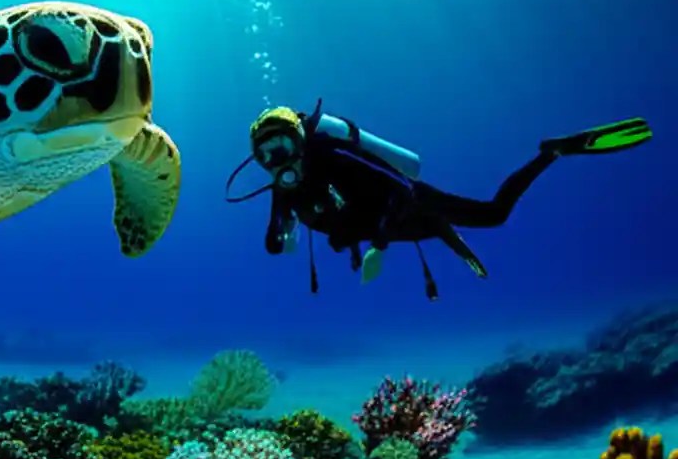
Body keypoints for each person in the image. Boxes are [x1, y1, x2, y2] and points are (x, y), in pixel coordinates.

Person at [225, 99, 653, 300]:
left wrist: (376, 246)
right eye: (264, 157)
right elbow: (275, 238)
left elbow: (399, 190)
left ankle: (551, 152)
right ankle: (443, 234)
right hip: (387, 228)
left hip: (410, 206)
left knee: (494, 214)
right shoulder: (285, 186)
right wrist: (280, 235)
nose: (274, 161)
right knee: (432, 231)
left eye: (280, 148)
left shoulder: (333, 160)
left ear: (298, 142)